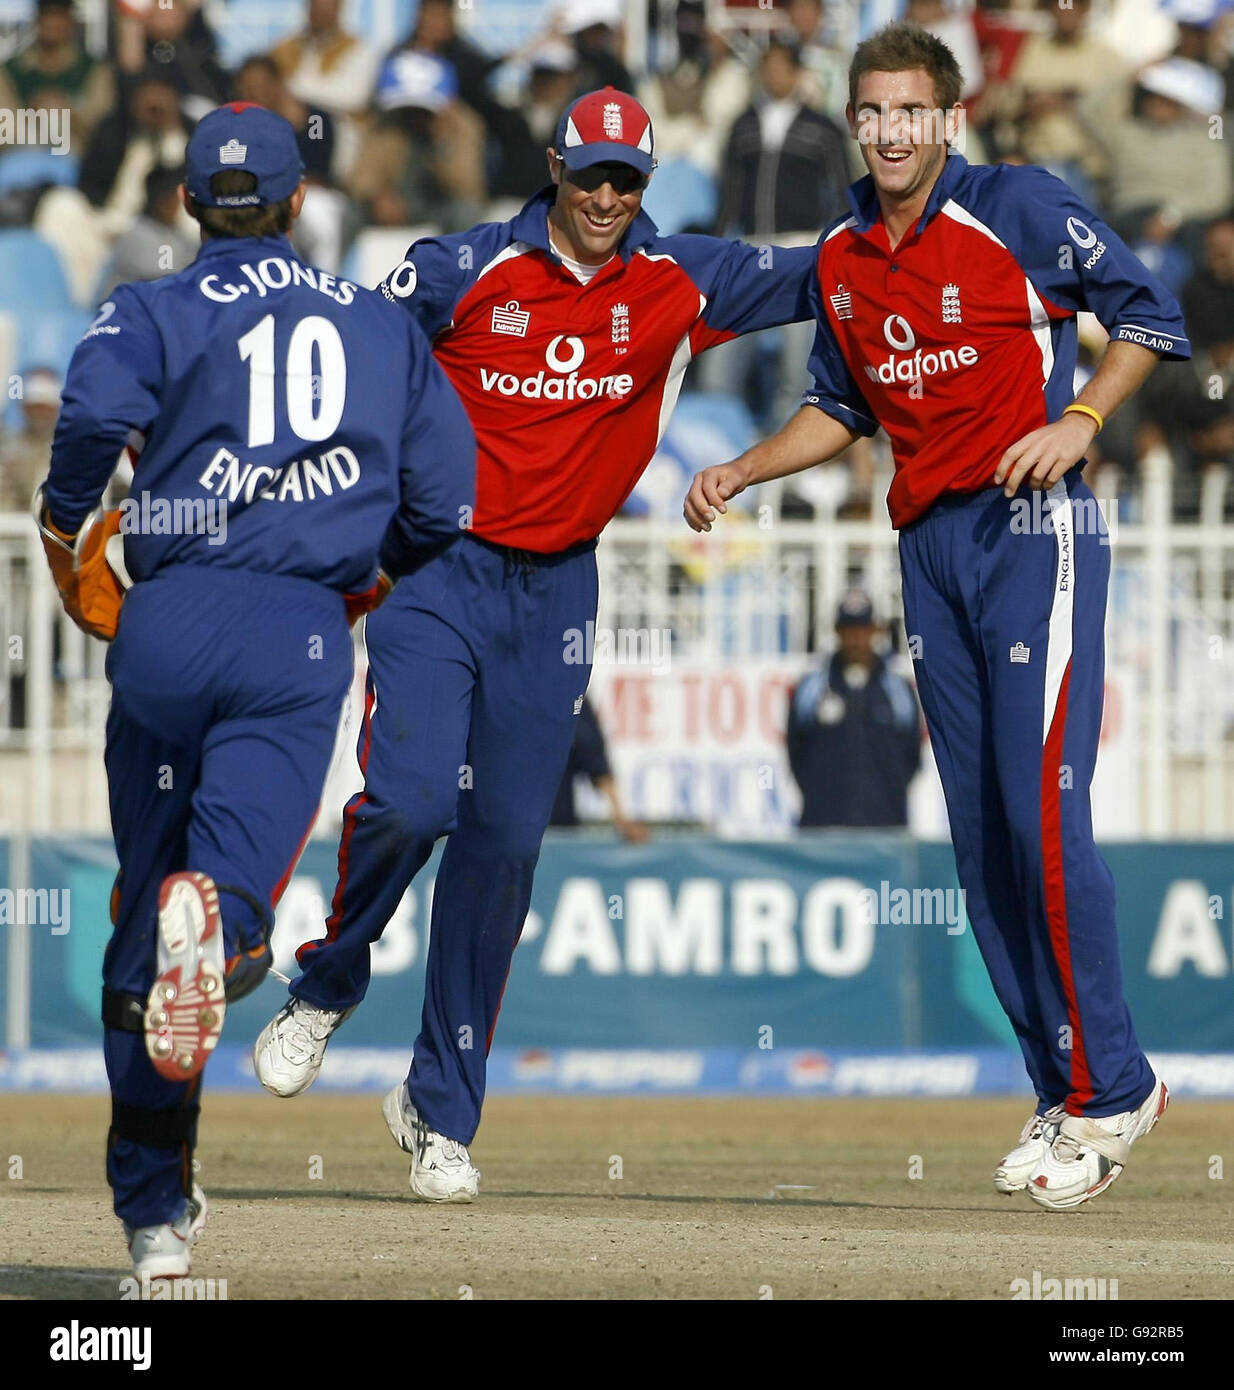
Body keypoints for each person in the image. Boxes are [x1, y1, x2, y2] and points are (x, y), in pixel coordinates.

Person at [253, 87, 818, 1203]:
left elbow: (831, 271)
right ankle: (328, 979)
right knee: (412, 800)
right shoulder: (460, 268)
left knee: (505, 848)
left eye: (628, 179)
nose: (607, 195)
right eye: (591, 170)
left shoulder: (679, 277)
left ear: (647, 185)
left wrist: (939, 202)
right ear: (554, 163)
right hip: (436, 573)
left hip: (558, 587)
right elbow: (343, 365)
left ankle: (438, 1108)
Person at [684, 22, 1188, 1210]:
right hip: (928, 550)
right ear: (852, 122)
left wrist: (1086, 419)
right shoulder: (847, 250)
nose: (892, 132)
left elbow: (1148, 314)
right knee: (977, 844)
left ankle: (1116, 1086)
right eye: (873, 113)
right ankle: (1066, 1088)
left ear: (948, 121)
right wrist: (742, 469)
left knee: (1040, 815)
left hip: (1034, 528)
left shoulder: (1013, 203)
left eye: (912, 111)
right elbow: (842, 407)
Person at [37, 103, 473, 1279]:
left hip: (165, 625)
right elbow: (447, 494)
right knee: (221, 896)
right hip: (294, 631)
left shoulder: (150, 303)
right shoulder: (379, 328)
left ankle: (155, 1212)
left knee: (142, 922)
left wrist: (58, 520)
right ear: (297, 203)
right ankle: (219, 931)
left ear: (186, 204)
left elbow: (87, 418)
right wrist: (371, 576)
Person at [786, 590, 921, 828]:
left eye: (863, 630)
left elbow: (911, 756)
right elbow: (796, 752)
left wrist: (885, 798)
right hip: (822, 831)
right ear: (837, 632)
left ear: (875, 631)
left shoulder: (897, 689)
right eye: (849, 630)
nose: (856, 639)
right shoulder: (813, 687)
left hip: (886, 831)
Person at [549, 695, 648, 840]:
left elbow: (593, 757)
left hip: (551, 830)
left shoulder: (565, 694)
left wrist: (621, 818)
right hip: (537, 829)